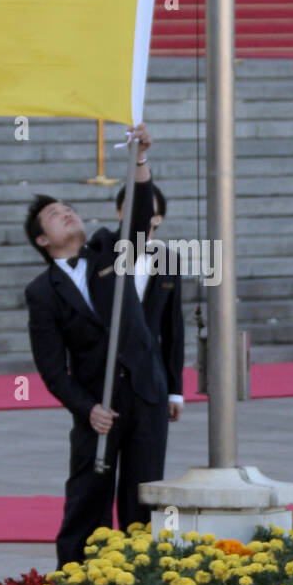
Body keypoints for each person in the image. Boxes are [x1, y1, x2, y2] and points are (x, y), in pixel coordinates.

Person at [23, 124, 169, 567]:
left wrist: (140, 159)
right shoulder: (42, 292)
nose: (67, 213)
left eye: (69, 208)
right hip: (97, 407)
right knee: (87, 496)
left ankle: (140, 578)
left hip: (143, 392)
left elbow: (141, 221)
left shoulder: (108, 250)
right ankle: (77, 581)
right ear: (42, 241)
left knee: (142, 497)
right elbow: (51, 369)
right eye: (54, 214)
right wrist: (87, 409)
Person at [114, 181, 184, 449]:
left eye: (149, 210)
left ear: (159, 218)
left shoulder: (169, 260)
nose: (141, 214)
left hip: (150, 377)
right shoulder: (103, 257)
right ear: (120, 212)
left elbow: (172, 329)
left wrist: (174, 391)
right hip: (110, 374)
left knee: (147, 460)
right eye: (133, 207)